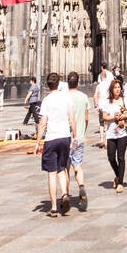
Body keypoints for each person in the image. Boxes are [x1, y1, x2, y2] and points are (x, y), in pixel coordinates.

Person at [35, 71, 77, 217]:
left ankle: (53, 207)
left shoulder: (46, 100)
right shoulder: (66, 98)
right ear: (59, 83)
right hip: (65, 137)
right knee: (62, 170)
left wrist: (37, 142)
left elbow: (42, 123)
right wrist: (74, 137)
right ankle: (65, 194)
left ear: (47, 85)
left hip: (51, 138)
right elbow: (72, 119)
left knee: (52, 174)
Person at [100, 75, 127, 193]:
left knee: (121, 157)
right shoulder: (107, 102)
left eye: (119, 87)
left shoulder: (125, 100)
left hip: (123, 133)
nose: (118, 89)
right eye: (115, 87)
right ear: (112, 89)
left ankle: (121, 183)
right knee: (111, 157)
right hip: (111, 133)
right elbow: (104, 117)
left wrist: (123, 116)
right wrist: (114, 117)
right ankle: (118, 175)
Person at [66, 71, 89, 211]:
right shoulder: (84, 97)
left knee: (64, 169)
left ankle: (66, 194)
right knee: (77, 166)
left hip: (64, 137)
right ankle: (81, 186)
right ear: (78, 82)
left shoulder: (63, 97)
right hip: (79, 137)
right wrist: (82, 132)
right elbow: (86, 119)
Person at [94, 64, 113, 148]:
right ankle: (106, 141)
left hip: (101, 106)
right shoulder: (110, 84)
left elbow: (95, 95)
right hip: (108, 106)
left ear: (101, 77)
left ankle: (101, 140)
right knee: (108, 124)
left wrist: (96, 106)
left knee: (101, 124)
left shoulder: (99, 85)